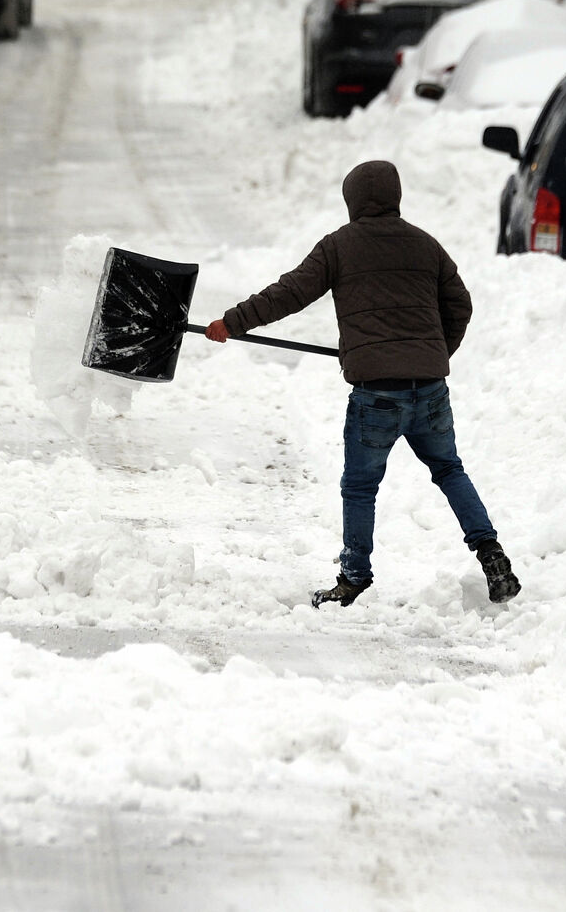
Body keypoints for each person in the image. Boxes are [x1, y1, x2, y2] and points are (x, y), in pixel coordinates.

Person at [205, 161, 520, 608]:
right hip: (429, 388)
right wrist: (431, 353)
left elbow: (289, 293)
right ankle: (491, 553)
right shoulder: (425, 245)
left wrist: (233, 323)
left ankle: (353, 577)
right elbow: (460, 306)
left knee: (360, 487)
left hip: (377, 395)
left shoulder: (339, 246)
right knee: (449, 470)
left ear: (352, 200)